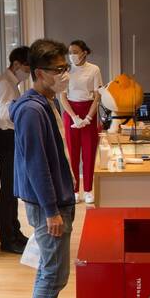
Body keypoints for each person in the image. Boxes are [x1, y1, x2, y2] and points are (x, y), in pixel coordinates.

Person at [10, 39, 77, 298]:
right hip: (47, 204)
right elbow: (37, 165)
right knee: (51, 274)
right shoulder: (32, 110)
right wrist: (51, 210)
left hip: (58, 199)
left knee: (55, 273)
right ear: (40, 72)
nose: (65, 75)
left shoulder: (48, 102)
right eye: (59, 70)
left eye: (66, 68)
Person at [0, 45, 32, 253]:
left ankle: (15, 232)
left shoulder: (11, 83)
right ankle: (8, 238)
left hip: (11, 137)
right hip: (6, 138)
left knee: (13, 189)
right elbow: (5, 113)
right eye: (27, 67)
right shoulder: (4, 84)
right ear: (16, 64)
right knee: (8, 190)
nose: (28, 72)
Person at [60, 40, 104, 204]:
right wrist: (73, 117)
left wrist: (88, 118)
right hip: (71, 112)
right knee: (72, 153)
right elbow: (62, 96)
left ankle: (88, 190)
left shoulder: (94, 69)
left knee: (88, 153)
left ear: (84, 52)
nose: (72, 55)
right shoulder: (66, 70)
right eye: (70, 52)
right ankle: (74, 190)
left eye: (75, 51)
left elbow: (97, 96)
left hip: (88, 112)